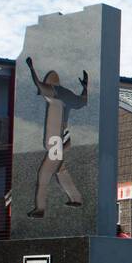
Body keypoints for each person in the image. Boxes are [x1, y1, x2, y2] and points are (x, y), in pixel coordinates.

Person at [26, 57, 87, 217]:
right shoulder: (67, 94)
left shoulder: (55, 93)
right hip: (64, 139)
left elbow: (39, 84)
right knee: (61, 170)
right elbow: (82, 101)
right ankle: (77, 198)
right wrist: (85, 87)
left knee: (44, 173)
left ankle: (40, 208)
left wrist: (32, 68)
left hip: (56, 141)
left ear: (51, 85)